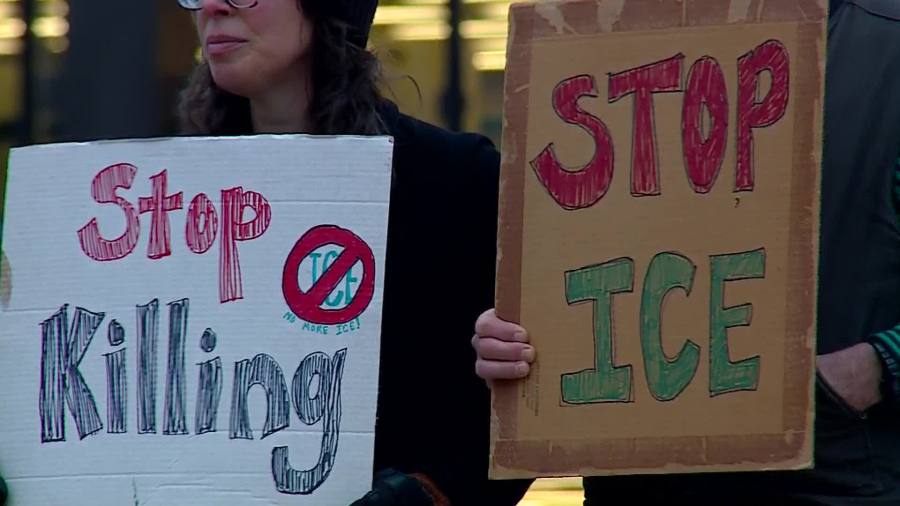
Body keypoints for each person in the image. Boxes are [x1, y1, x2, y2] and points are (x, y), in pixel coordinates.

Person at [473, 0, 900, 504]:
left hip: (835, 482)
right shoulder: (604, 43)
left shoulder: (885, 48)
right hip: (640, 484)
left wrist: (873, 365)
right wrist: (522, 343)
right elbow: (588, 261)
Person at [176, 0, 531, 504]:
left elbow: (500, 437)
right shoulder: (166, 208)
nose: (212, 6)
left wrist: (423, 494)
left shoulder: (456, 182)